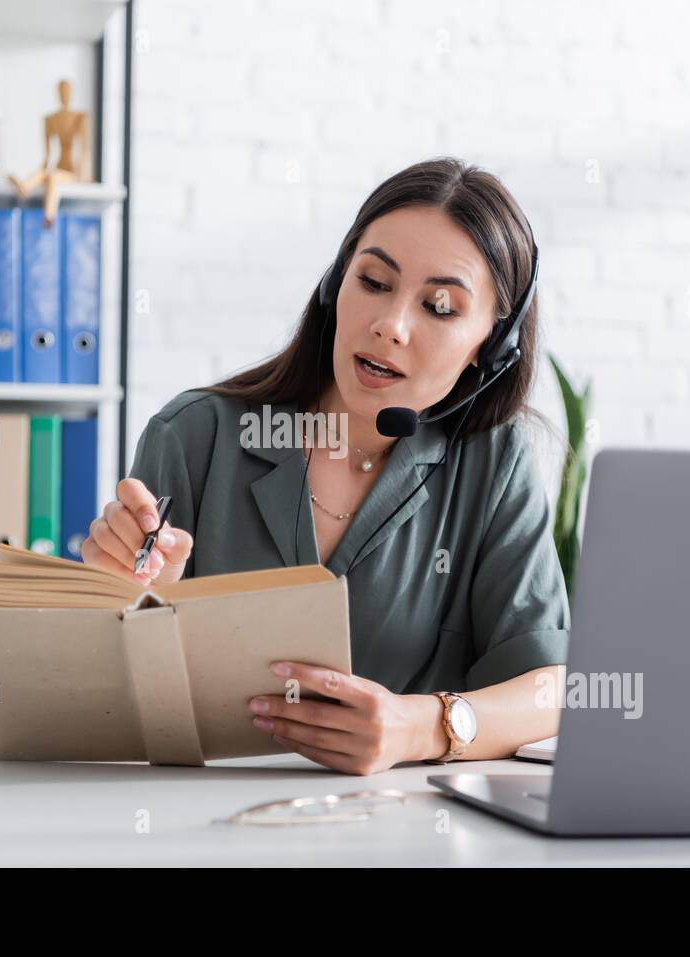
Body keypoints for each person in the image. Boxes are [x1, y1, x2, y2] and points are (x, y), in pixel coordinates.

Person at [82, 157, 570, 775]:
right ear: (334, 288)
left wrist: (420, 726)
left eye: (440, 307)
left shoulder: (493, 466)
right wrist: (132, 599)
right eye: (373, 281)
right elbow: (108, 704)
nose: (390, 325)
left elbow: (550, 691)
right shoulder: (193, 437)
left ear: (490, 350)